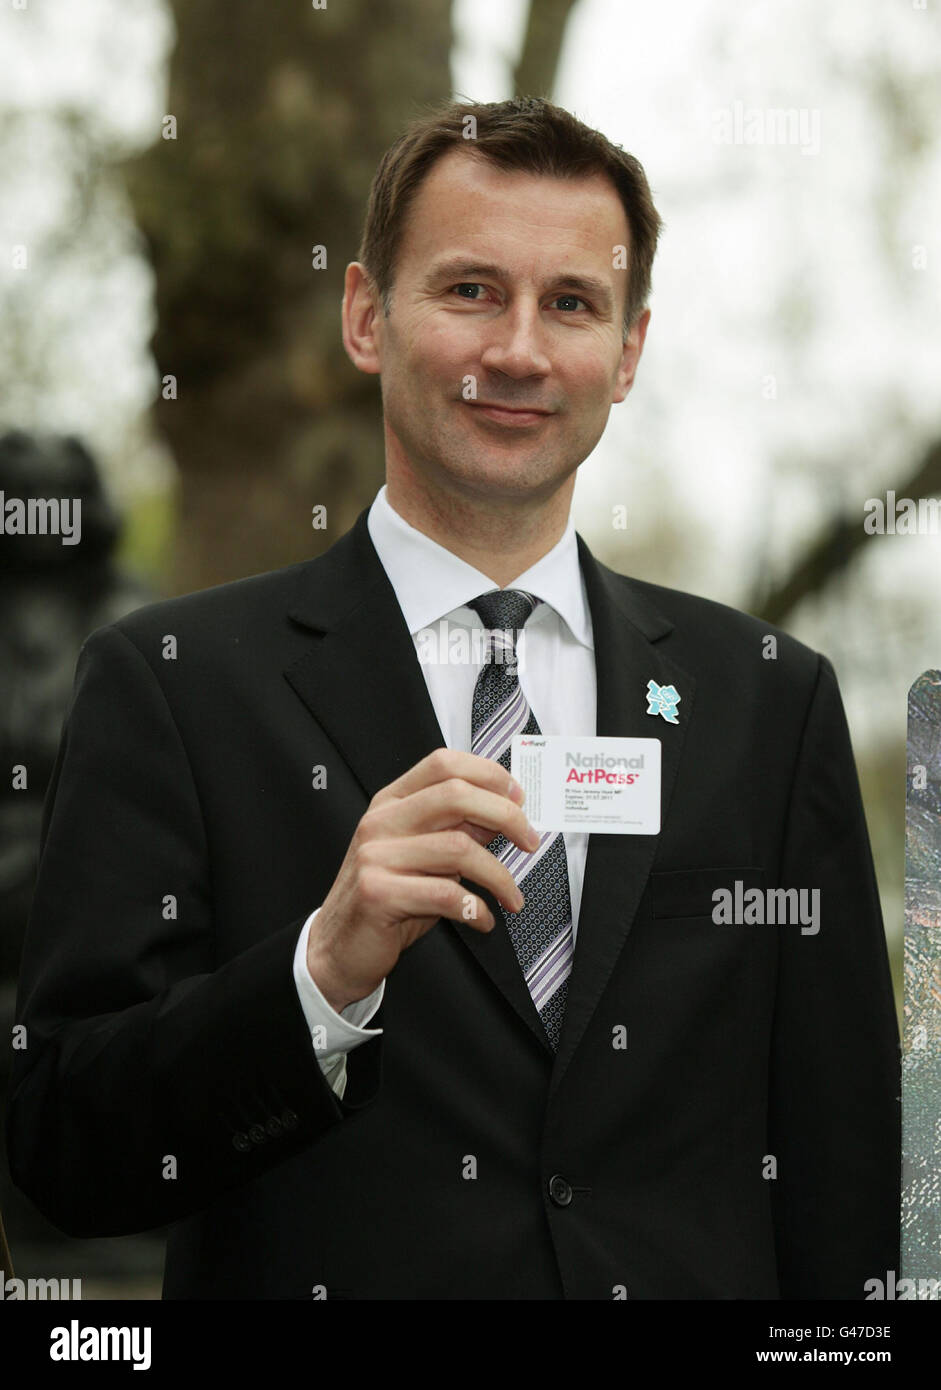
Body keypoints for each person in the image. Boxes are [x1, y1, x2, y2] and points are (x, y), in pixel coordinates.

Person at [6, 96, 899, 1300]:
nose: (521, 350)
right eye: (471, 290)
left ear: (627, 353)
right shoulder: (172, 686)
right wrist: (320, 973)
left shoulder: (768, 703)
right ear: (367, 316)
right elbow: (66, 1151)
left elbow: (842, 1171)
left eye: (570, 303)